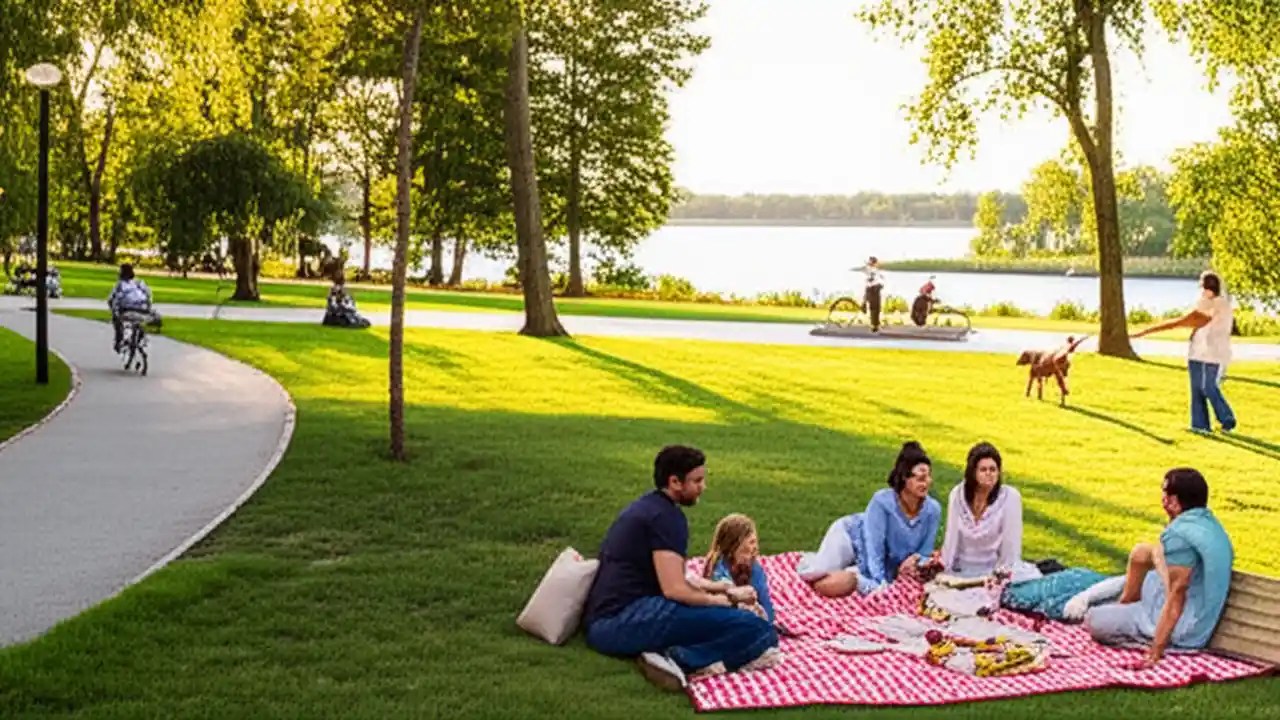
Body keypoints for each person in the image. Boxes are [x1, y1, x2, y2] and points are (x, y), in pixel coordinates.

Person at [583, 446, 780, 691]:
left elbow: (676, 577)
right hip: (622, 621)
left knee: (728, 622)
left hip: (613, 617)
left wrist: (721, 588)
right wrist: (727, 601)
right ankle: (679, 659)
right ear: (674, 481)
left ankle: (676, 653)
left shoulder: (648, 507)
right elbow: (675, 589)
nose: (703, 487)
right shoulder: (667, 520)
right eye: (697, 481)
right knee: (759, 630)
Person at [1085, 468, 1233, 668]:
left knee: (1095, 619)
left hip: (1180, 630)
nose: (1162, 499)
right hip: (1188, 618)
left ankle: (1140, 634)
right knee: (1142, 553)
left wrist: (1155, 651)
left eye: (1165, 493)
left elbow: (1177, 594)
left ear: (1173, 501)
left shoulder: (1179, 535)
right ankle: (1126, 604)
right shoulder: (1209, 525)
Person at [797, 441, 943, 597]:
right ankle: (807, 563)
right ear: (904, 479)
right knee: (818, 572)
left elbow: (925, 552)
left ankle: (851, 572)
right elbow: (874, 547)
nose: (927, 482)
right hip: (851, 538)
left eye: (928, 477)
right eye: (921, 478)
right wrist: (880, 584)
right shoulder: (882, 502)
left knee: (850, 582)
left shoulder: (932, 510)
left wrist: (914, 563)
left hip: (886, 563)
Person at [1131, 271, 1236, 433]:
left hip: (1214, 354)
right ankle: (1200, 425)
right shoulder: (1213, 304)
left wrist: (1146, 331)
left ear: (1207, 288)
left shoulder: (1216, 304)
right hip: (1197, 352)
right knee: (1197, 389)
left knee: (1209, 387)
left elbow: (1182, 322)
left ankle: (1227, 418)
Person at [939, 442, 1036, 580]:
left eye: (993, 469)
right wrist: (944, 570)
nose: (989, 474)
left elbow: (1010, 549)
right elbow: (951, 540)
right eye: (983, 470)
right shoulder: (957, 494)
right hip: (961, 570)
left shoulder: (1010, 498)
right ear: (972, 472)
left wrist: (1001, 578)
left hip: (993, 572)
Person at [702, 514, 775, 624]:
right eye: (751, 542)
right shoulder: (717, 569)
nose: (756, 547)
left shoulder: (753, 567)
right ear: (734, 545)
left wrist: (764, 619)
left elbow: (766, 604)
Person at [107, 263, 153, 352]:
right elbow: (148, 294)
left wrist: (113, 310)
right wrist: (148, 306)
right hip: (142, 308)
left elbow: (111, 298)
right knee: (139, 321)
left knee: (117, 320)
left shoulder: (120, 284)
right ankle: (140, 335)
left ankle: (119, 340)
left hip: (126, 309)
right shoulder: (139, 282)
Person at [859, 256, 886, 332]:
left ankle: (875, 324)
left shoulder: (876, 270)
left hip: (875, 288)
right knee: (873, 308)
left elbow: (881, 280)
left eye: (871, 261)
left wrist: (880, 286)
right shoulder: (870, 269)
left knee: (876, 308)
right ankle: (874, 324)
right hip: (871, 289)